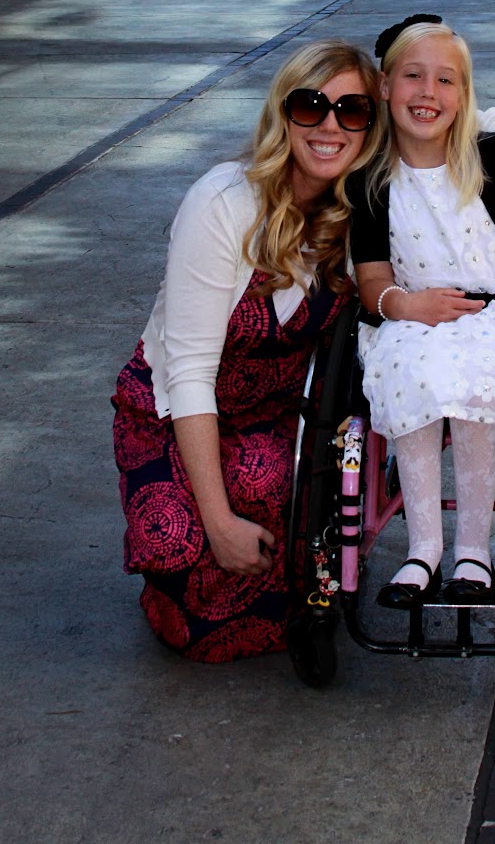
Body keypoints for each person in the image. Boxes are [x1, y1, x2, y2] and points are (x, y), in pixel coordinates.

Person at [111, 40, 380, 662]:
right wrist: (218, 521)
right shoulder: (225, 201)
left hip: (277, 418)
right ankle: (174, 580)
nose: (330, 126)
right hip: (173, 409)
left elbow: (460, 124)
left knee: (263, 507)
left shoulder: (362, 212)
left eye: (353, 111)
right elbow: (189, 375)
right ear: (283, 115)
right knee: (180, 543)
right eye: (311, 106)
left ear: (372, 126)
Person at [348, 17, 495, 608]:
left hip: (494, 318)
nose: (428, 93)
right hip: (413, 319)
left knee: (483, 369)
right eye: (413, 77)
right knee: (409, 366)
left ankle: (473, 551)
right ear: (384, 85)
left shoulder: (494, 159)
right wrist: (404, 305)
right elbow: (371, 277)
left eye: (445, 80)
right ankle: (421, 550)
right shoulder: (371, 177)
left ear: (464, 94)